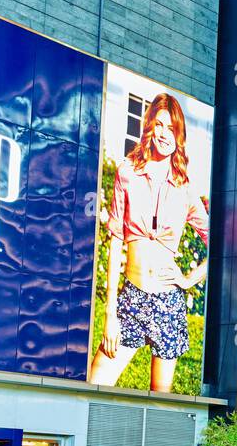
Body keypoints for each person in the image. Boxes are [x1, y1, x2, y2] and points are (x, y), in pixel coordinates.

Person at [89, 92, 208, 392]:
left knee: (159, 409)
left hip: (168, 303)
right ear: (149, 127)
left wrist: (190, 278)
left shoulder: (185, 188)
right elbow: (116, 238)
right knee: (92, 389)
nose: (164, 134)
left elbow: (221, 241)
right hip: (132, 298)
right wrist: (110, 313)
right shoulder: (127, 172)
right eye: (159, 125)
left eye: (171, 129)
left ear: (179, 135)